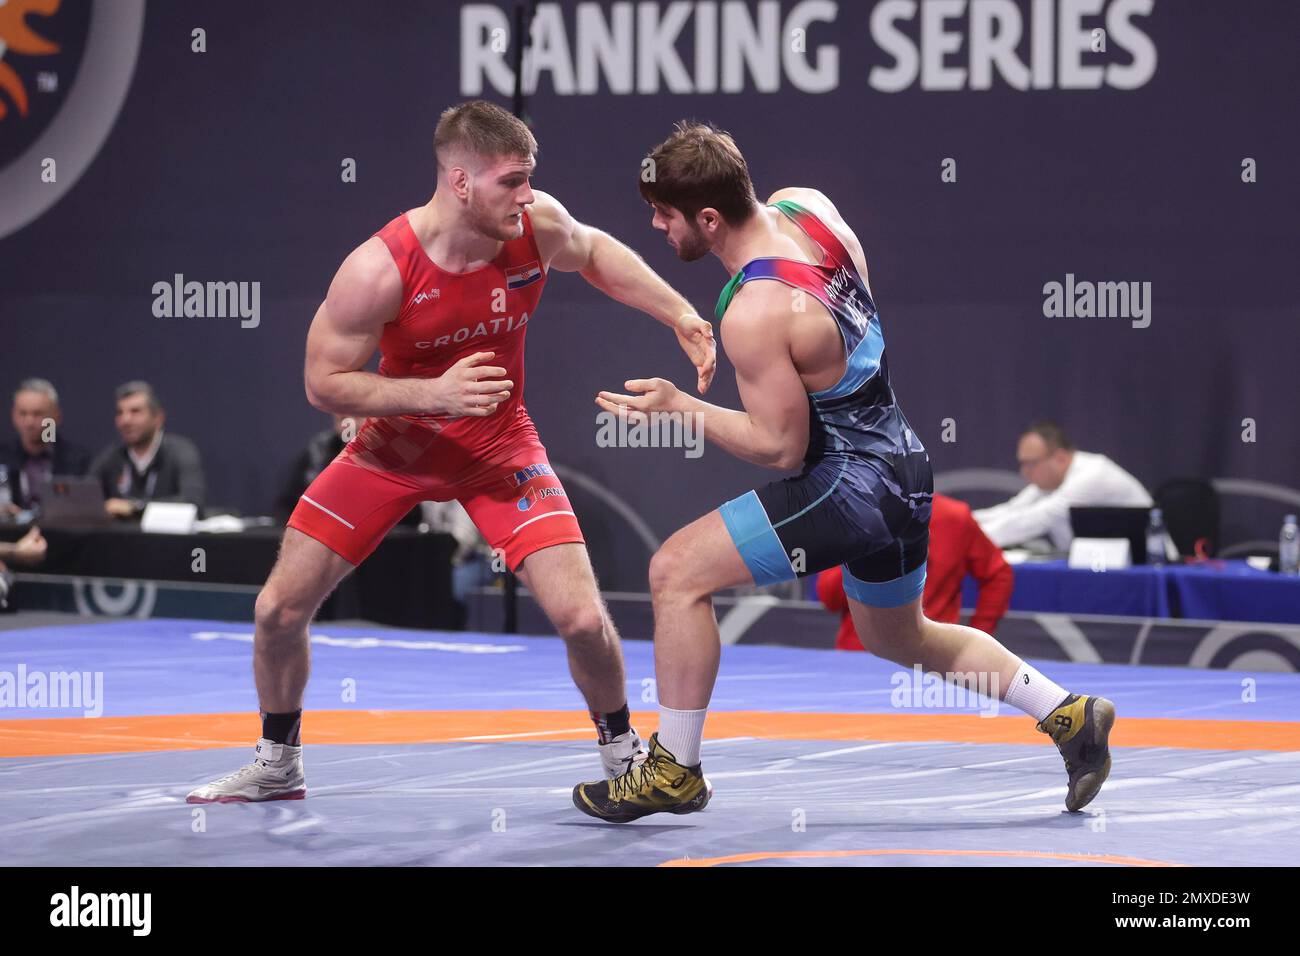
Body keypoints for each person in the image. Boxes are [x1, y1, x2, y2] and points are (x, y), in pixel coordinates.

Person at [572, 121, 1115, 822]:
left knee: (675, 573)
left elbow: (781, 450)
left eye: (663, 214)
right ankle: (1068, 715)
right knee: (899, 634)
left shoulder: (754, 309)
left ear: (708, 218)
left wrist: (682, 407)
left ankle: (674, 769)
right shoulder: (810, 209)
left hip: (849, 482)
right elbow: (849, 323)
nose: (655, 224)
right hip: (905, 464)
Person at [187, 100, 717, 804]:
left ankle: (623, 755)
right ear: (460, 183)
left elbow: (595, 254)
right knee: (277, 611)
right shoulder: (379, 269)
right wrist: (430, 394)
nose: (526, 196)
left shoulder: (535, 227)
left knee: (584, 619)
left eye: (530, 179)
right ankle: (278, 761)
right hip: (392, 452)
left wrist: (679, 313)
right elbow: (323, 383)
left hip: (499, 448)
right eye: (511, 181)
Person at [818, 493, 1013, 650]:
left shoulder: (955, 517)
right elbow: (830, 598)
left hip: (932, 658)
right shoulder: (854, 516)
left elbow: (998, 574)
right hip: (859, 658)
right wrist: (866, 549)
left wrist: (976, 638)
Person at [973, 420, 1151, 550]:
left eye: (1031, 464)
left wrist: (965, 540)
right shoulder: (1051, 483)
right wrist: (961, 521)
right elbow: (1011, 510)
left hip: (1151, 564)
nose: (1024, 472)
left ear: (1060, 458)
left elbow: (1036, 519)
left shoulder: (1093, 476)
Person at [89, 381, 207, 519]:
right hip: (121, 539)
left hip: (166, 539)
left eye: (135, 411)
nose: (125, 420)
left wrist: (136, 508)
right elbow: (83, 502)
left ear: (158, 418)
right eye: (120, 413)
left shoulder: (180, 452)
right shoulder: (110, 458)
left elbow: (193, 503)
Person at [0, 378, 91, 514]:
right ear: (14, 416)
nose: (29, 422)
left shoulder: (78, 460)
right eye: (23, 413)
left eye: (37, 414)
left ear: (56, 416)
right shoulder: (2, 458)